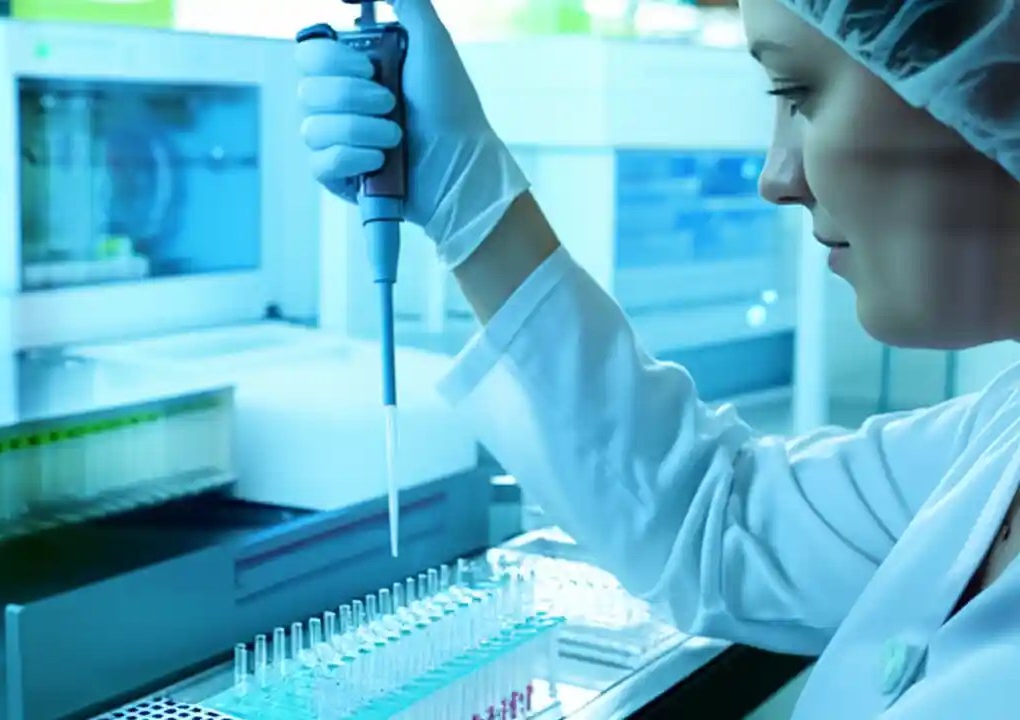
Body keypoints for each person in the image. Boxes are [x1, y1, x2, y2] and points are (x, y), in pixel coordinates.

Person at [296, 0, 1020, 717]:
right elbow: (722, 524)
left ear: (997, 83)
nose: (777, 177)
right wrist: (465, 194)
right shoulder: (1002, 431)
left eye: (797, 94)